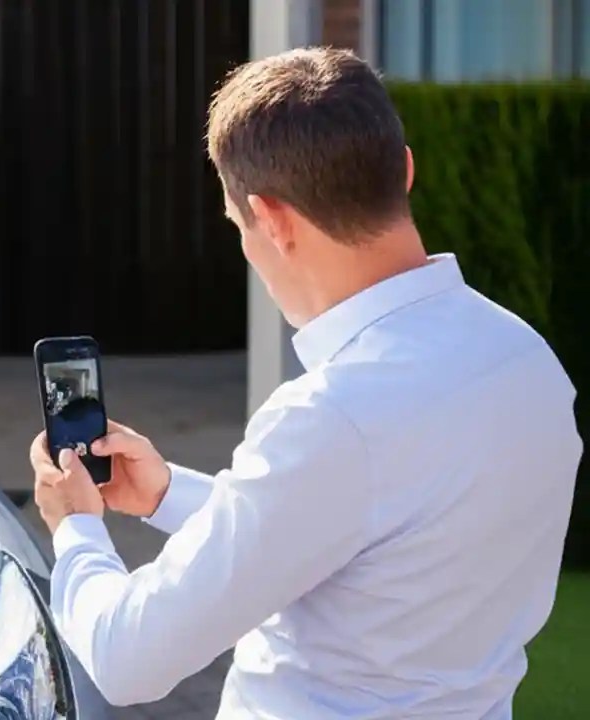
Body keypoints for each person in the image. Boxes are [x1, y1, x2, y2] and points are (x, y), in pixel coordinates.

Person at [29, 47, 582, 719]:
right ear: (403, 171)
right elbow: (359, 543)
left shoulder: (334, 416)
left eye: (239, 228)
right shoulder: (528, 360)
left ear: (274, 221)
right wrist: (167, 495)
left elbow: (127, 658)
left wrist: (77, 530)